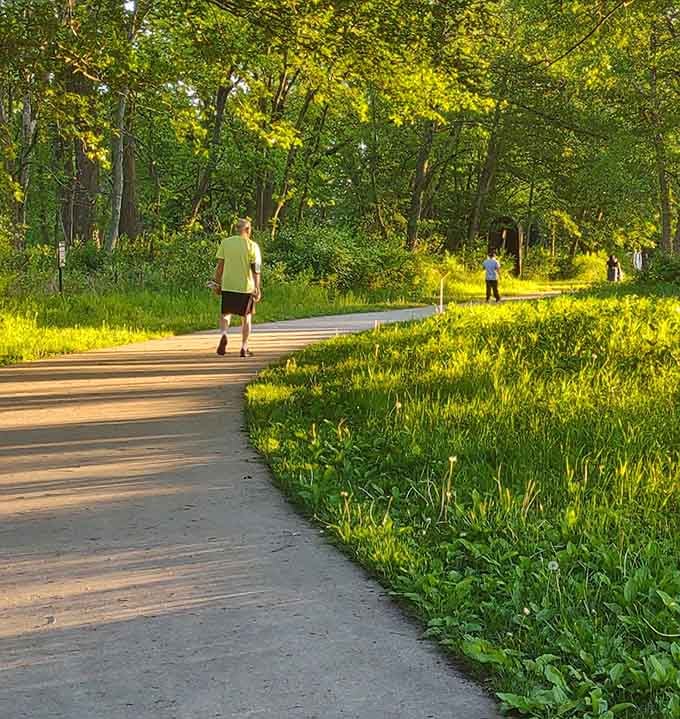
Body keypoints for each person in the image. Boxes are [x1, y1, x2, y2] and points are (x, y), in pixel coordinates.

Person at [213, 218, 262, 357]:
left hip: (228, 285)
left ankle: (223, 334)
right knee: (246, 318)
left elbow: (220, 266)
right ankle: (244, 347)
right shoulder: (252, 246)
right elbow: (256, 269)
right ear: (247, 230)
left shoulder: (225, 243)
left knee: (225, 314)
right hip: (246, 286)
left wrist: (217, 283)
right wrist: (257, 288)